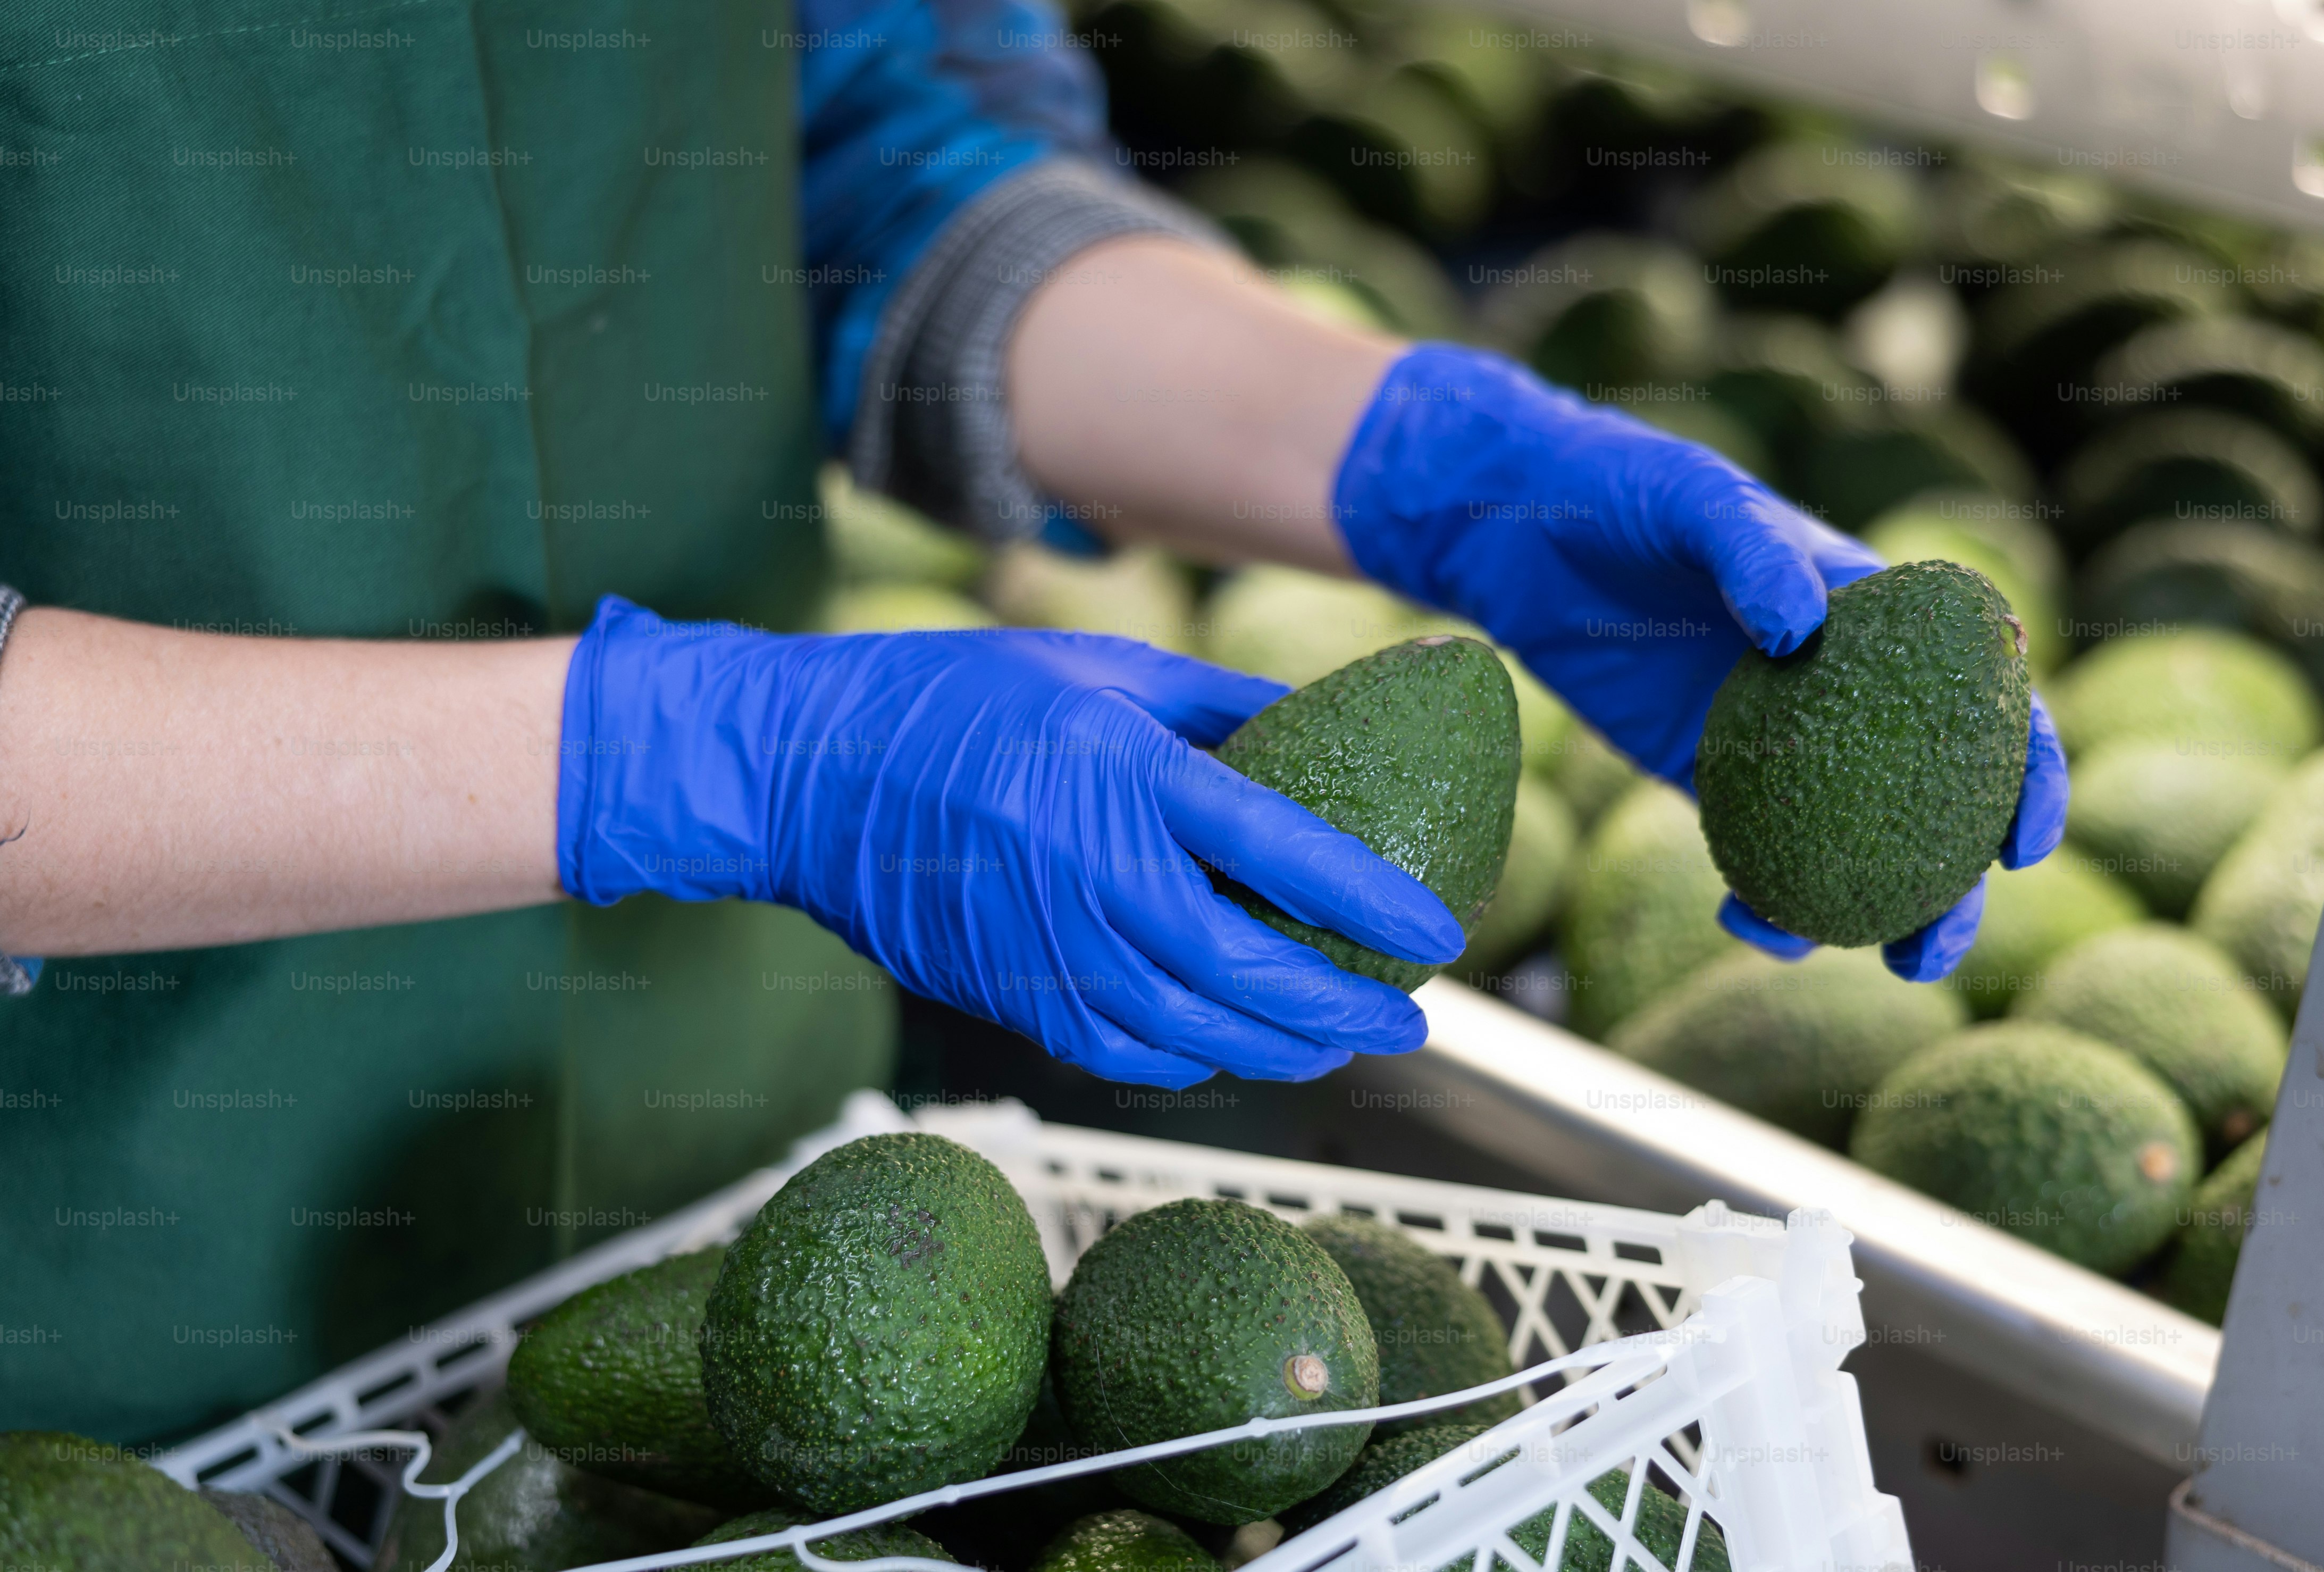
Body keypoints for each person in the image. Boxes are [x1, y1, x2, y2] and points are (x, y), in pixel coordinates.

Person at [0, 3, 2063, 1442]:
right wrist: (702, 758)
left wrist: (1422, 464)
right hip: (91, 1292)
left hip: (728, 1184)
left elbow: (876, 161)